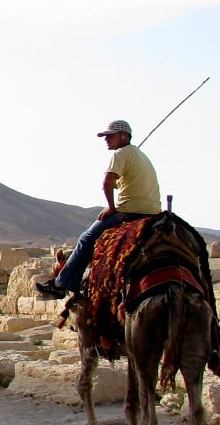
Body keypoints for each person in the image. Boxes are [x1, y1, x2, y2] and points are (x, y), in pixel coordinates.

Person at [36, 119, 162, 298]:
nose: (106, 139)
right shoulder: (139, 155)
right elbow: (126, 183)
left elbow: (107, 182)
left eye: (110, 136)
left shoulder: (121, 154)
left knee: (86, 239)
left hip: (130, 210)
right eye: (106, 136)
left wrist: (111, 207)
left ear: (124, 136)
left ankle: (62, 283)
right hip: (152, 210)